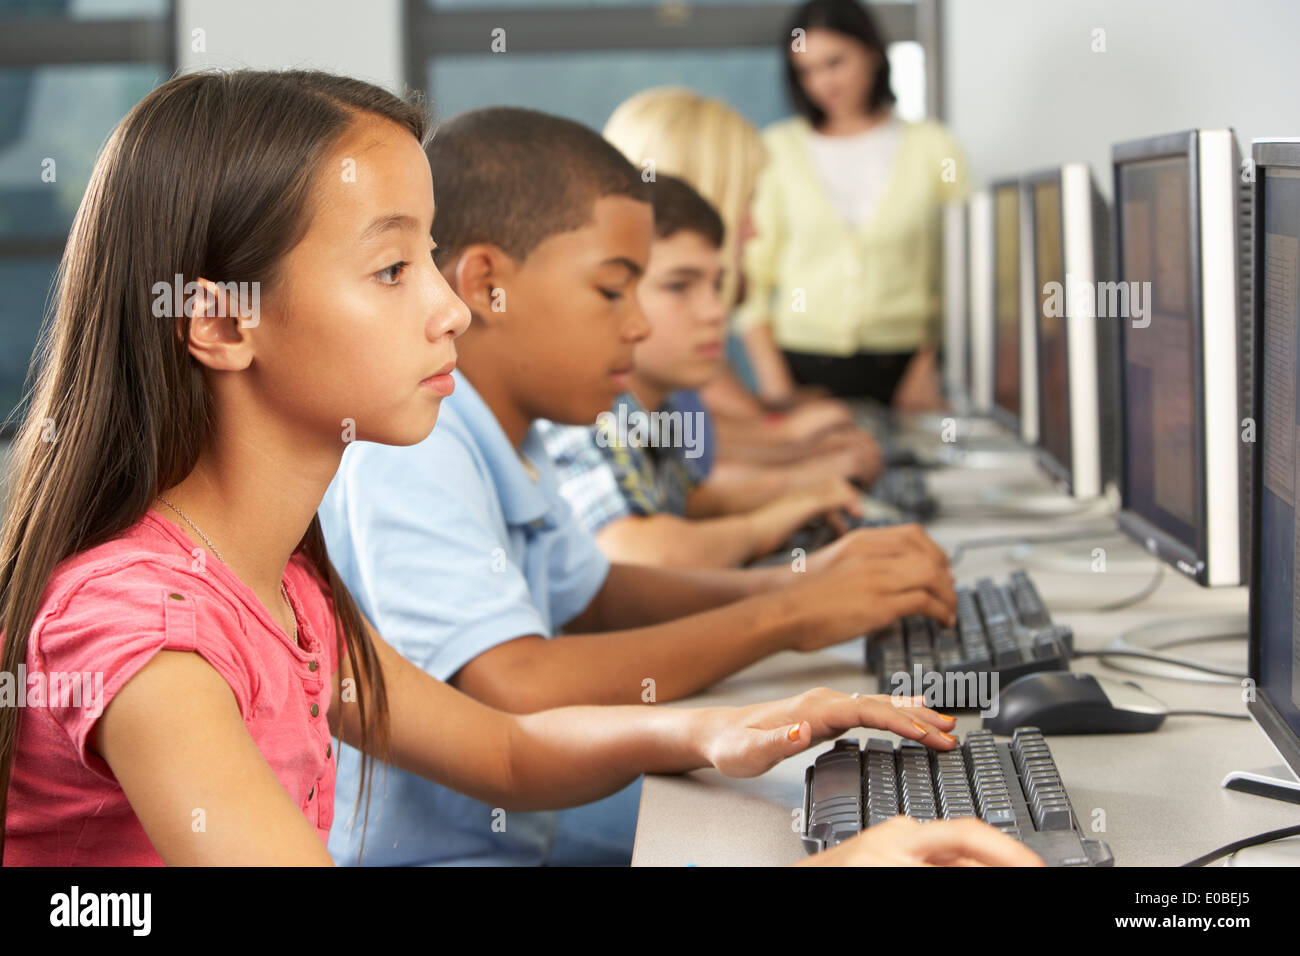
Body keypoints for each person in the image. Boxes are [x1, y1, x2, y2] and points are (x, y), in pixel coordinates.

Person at [0, 71, 1043, 870]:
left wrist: (718, 730)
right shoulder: (153, 639)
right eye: (392, 268)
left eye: (430, 259)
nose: (452, 307)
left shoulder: (286, 589)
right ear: (224, 321)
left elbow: (504, 751)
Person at [316, 107, 985, 867]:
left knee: (798, 808)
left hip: (527, 823)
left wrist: (800, 586)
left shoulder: (508, 430)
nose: (638, 327)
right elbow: (514, 685)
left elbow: (596, 594)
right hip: (452, 854)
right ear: (488, 287)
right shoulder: (412, 445)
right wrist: (789, 614)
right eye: (613, 291)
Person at [541, 173, 861, 568]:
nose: (715, 311)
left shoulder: (663, 404)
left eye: (716, 285)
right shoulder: (580, 407)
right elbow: (637, 553)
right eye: (679, 286)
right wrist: (768, 528)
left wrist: (802, 496)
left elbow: (686, 502)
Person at [735, 0, 967, 411]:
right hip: (801, 369)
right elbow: (752, 276)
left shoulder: (934, 147)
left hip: (908, 372)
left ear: (872, 52)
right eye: (806, 71)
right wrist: (776, 386)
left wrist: (930, 365)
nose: (822, 83)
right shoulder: (776, 149)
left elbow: (961, 270)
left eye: (834, 63)